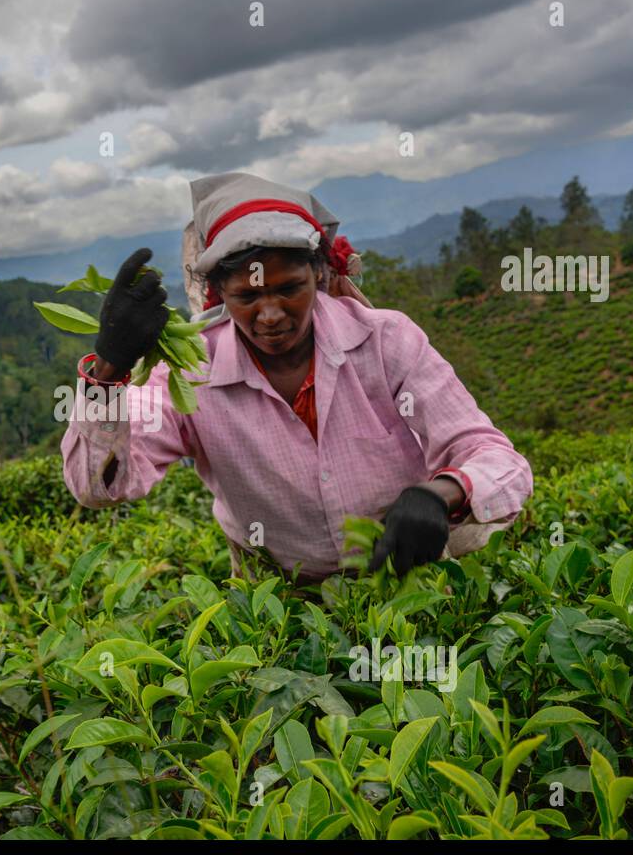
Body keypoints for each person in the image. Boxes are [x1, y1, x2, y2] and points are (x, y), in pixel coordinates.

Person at [60, 171, 533, 585]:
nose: (269, 315)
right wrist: (110, 368)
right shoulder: (189, 374)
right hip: (277, 607)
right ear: (217, 292)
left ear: (320, 274)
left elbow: (497, 459)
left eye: (290, 289)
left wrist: (441, 493)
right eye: (247, 296)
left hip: (407, 582)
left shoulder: (386, 341)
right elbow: (98, 488)